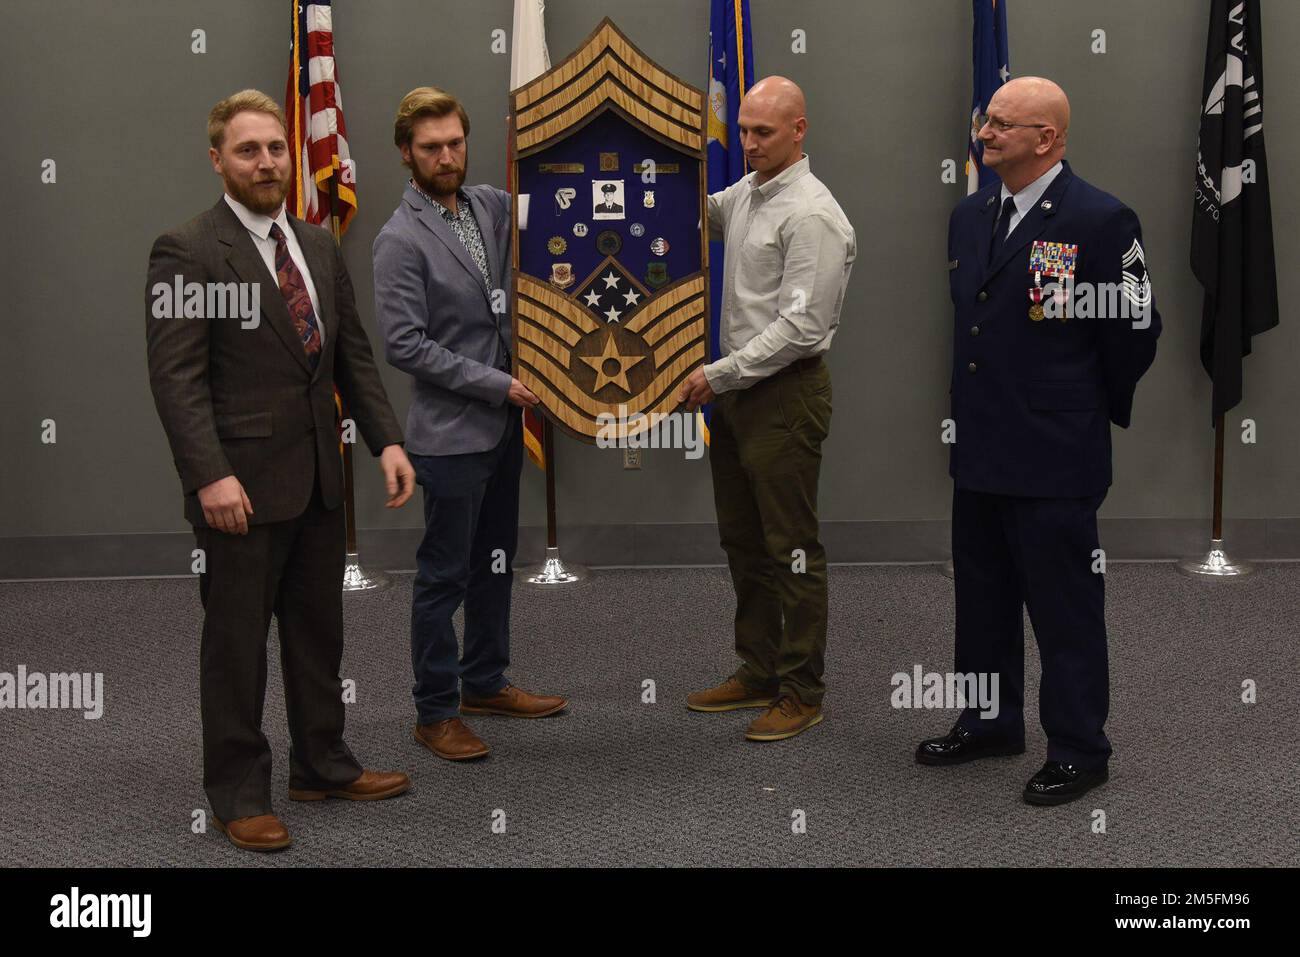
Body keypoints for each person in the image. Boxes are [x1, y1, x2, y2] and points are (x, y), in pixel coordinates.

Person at [145, 89, 415, 852]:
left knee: (315, 633)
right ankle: (237, 791)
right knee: (235, 645)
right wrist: (209, 475)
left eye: (274, 148)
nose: (266, 162)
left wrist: (386, 441)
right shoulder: (186, 250)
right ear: (217, 160)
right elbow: (177, 379)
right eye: (248, 150)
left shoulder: (318, 245)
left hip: (320, 484)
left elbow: (350, 354)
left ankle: (322, 763)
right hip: (238, 492)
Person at [916, 77, 1161, 805]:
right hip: (983, 447)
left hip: (1056, 453)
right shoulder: (968, 216)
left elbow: (1136, 332)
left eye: (1000, 125)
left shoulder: (1102, 220)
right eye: (985, 122)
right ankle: (990, 721)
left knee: (1064, 608)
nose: (983, 134)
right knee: (983, 599)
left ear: (1046, 139)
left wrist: (1078, 408)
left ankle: (1081, 747)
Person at [372, 87, 567, 762]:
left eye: (455, 142)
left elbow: (556, 201)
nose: (447, 155)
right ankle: (434, 711)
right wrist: (498, 383)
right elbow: (405, 344)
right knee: (443, 575)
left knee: (494, 562)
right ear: (407, 154)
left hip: (506, 428)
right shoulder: (398, 240)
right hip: (453, 434)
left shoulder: (488, 203)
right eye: (431, 147)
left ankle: (484, 680)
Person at [678, 76, 856, 742]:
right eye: (744, 129)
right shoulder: (750, 192)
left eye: (763, 132)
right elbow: (693, 211)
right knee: (744, 540)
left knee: (793, 549)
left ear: (799, 130)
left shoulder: (811, 213)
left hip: (782, 395)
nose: (748, 142)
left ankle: (802, 689)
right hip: (737, 395)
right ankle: (757, 669)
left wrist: (718, 374)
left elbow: (799, 330)